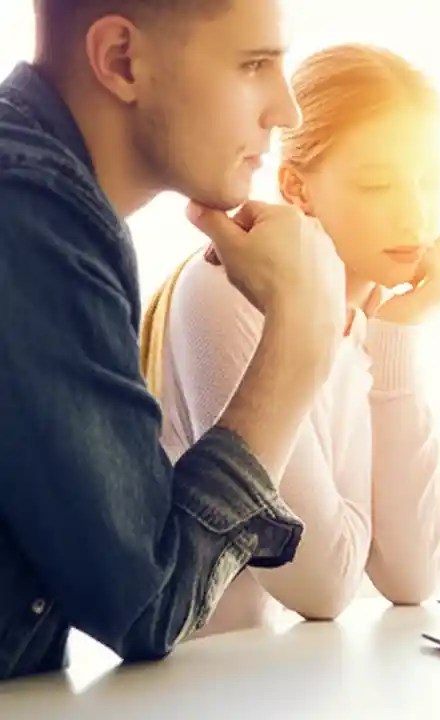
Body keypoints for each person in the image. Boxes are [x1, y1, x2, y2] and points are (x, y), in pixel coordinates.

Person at [0, 0, 348, 680]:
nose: (288, 111)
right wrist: (301, 335)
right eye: (253, 64)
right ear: (121, 61)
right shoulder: (33, 218)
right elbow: (148, 604)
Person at [140, 44, 440, 634]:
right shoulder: (225, 292)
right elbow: (323, 583)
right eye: (377, 184)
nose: (416, 216)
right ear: (297, 187)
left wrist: (396, 338)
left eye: (431, 181)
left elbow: (415, 576)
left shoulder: (369, 319)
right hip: (194, 692)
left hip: (292, 681)